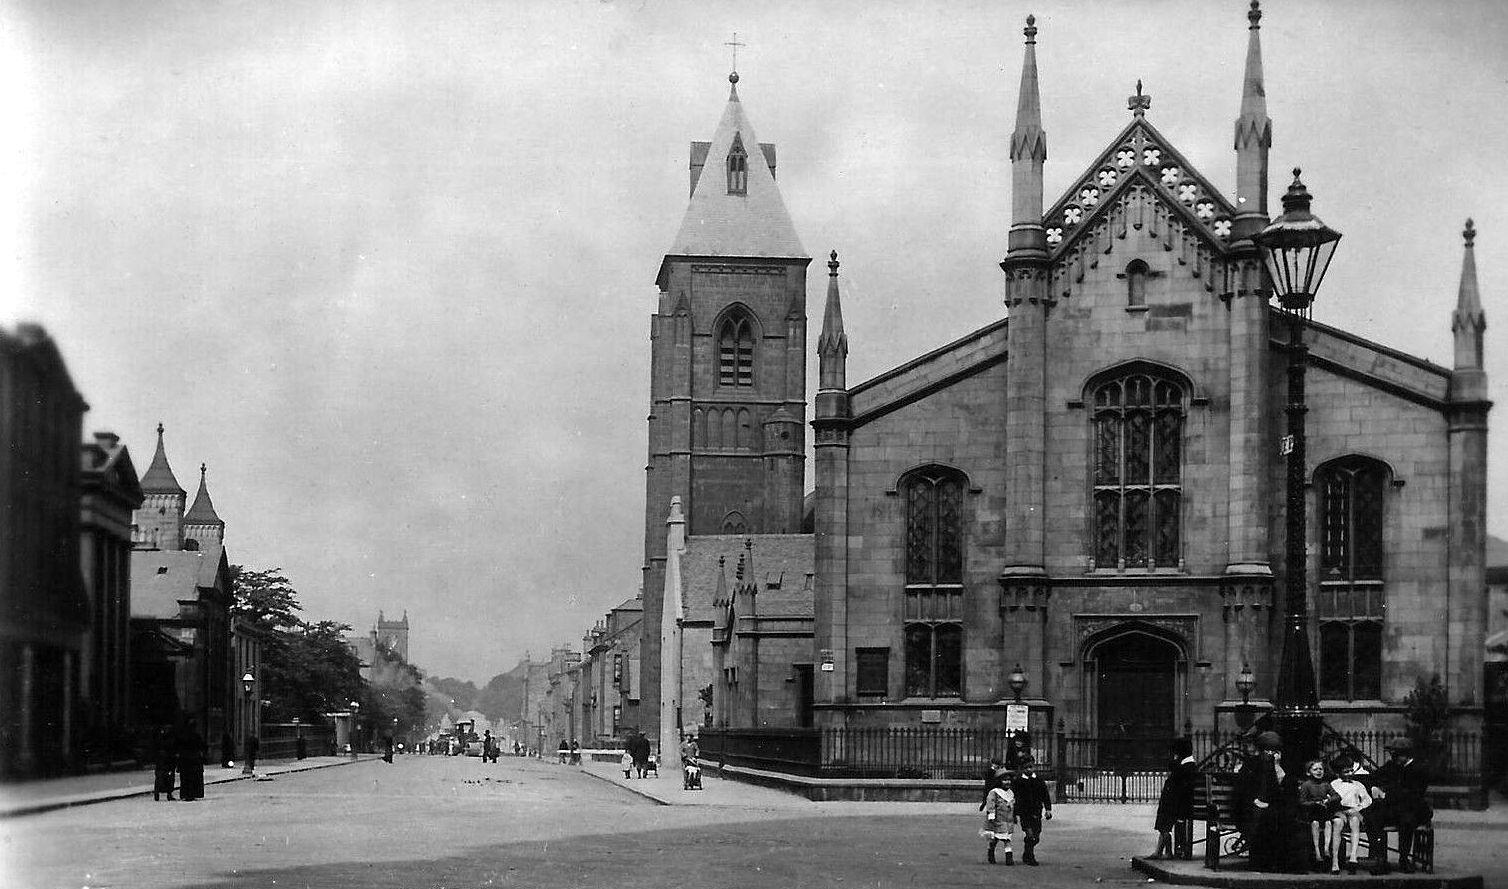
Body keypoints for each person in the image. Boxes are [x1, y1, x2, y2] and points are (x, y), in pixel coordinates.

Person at [1365, 737, 1431, 874]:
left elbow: (1414, 794)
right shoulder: (1392, 765)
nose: (1393, 758)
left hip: (1413, 808)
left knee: (1407, 821)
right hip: (1395, 807)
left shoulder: (1419, 769)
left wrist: (1387, 793)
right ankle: (1381, 859)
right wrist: (1374, 787)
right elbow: (1374, 777)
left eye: (1396, 755)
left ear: (1406, 755)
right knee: (1374, 816)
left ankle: (1404, 859)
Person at [1233, 730, 1288, 871]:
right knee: (1261, 816)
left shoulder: (1279, 766)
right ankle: (1259, 862)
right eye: (1267, 750)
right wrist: (1255, 800)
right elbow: (1242, 789)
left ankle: (1274, 861)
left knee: (1277, 815)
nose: (1270, 754)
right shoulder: (1252, 764)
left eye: (1273, 751)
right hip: (1250, 807)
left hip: (1271, 806)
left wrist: (1277, 768)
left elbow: (1284, 792)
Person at [1152, 736, 1197, 859]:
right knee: (1163, 823)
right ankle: (1159, 852)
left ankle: (1168, 852)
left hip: (1177, 805)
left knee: (1164, 824)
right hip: (1178, 804)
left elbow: (1175, 778)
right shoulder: (1188, 765)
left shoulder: (1184, 766)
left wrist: (1174, 760)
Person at [1328, 756, 1372, 875]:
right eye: (1346, 771)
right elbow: (1332, 799)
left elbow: (1367, 800)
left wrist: (1358, 808)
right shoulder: (1334, 784)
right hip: (1339, 811)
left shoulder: (1358, 784)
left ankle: (1353, 857)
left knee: (1355, 822)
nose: (1349, 773)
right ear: (1338, 773)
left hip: (1353, 811)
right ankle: (1335, 861)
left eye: (1351, 770)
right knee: (1337, 824)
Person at [1296, 758, 1339, 870]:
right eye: (1315, 769)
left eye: (1321, 769)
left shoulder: (1326, 784)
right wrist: (1314, 803)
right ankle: (1317, 851)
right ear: (1308, 772)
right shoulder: (1306, 785)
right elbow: (1302, 801)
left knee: (1328, 823)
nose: (1319, 771)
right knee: (1315, 823)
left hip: (1324, 810)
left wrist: (1327, 801)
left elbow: (1337, 796)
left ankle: (1325, 849)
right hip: (1312, 811)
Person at [1011, 756, 1053, 866]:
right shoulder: (1018, 781)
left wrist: (1048, 809)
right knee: (1030, 834)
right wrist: (1014, 814)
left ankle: (1027, 851)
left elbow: (1045, 795)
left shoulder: (1038, 780)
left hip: (1036, 811)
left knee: (1036, 836)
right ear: (1022, 768)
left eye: (1031, 767)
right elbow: (1013, 797)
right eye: (1026, 767)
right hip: (1024, 812)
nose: (1029, 770)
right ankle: (1030, 857)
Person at [979, 763, 1016, 865]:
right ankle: (991, 852)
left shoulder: (1010, 793)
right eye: (1004, 780)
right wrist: (991, 815)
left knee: (1007, 839)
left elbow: (1013, 805)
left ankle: (1009, 858)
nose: (1007, 782)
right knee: (995, 839)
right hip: (997, 819)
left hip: (1007, 820)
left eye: (1008, 780)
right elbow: (990, 803)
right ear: (999, 781)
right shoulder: (994, 792)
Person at [176, 717, 207, 802]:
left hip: (185, 760)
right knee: (193, 778)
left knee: (185, 778)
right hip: (193, 761)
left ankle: (186, 794)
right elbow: (202, 746)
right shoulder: (196, 736)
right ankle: (192, 793)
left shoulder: (183, 736)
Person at [152, 724, 177, 802]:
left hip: (164, 760)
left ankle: (160, 793)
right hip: (166, 760)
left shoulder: (161, 738)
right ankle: (167, 793)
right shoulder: (170, 739)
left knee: (161, 777)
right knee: (167, 777)